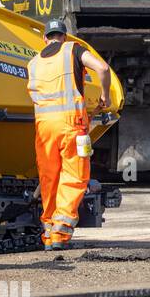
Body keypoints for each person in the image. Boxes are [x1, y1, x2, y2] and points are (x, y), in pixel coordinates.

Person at [28, 19, 111, 249]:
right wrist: (106, 95)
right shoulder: (72, 50)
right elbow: (103, 68)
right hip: (70, 126)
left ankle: (48, 233)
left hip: (43, 129)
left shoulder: (33, 63)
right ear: (63, 36)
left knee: (49, 180)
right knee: (73, 177)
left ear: (45, 38)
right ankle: (60, 235)